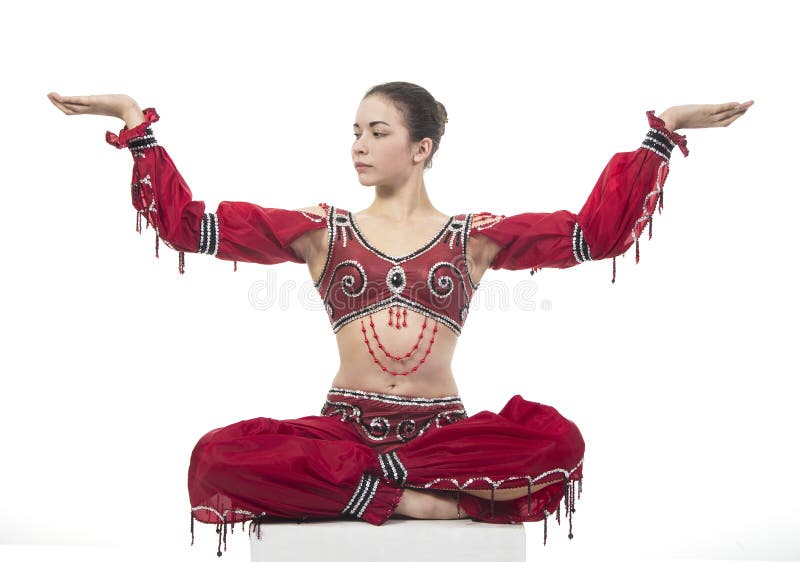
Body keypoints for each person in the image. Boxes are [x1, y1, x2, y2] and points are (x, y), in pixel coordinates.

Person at [47, 84, 753, 556]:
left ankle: (393, 488)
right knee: (216, 456)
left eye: (376, 131)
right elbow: (187, 225)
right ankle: (427, 504)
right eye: (354, 131)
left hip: (444, 439)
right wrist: (135, 123)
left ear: (420, 149)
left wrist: (663, 135)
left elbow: (596, 235)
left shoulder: (474, 236)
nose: (357, 144)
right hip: (344, 433)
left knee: (560, 442)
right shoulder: (320, 230)